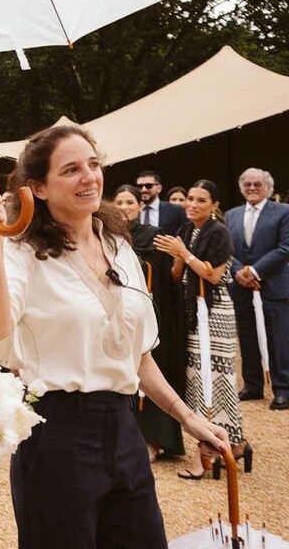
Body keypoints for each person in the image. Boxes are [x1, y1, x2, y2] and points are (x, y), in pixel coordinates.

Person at [0, 125, 228, 548]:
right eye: (70, 169)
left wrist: (187, 418)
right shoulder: (19, 254)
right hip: (56, 437)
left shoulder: (120, 247)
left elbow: (137, 356)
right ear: (37, 187)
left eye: (93, 164)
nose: (89, 177)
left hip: (127, 432)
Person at [155, 180, 251, 479]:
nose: (192, 205)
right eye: (190, 199)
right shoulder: (187, 230)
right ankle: (235, 443)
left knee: (216, 379)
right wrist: (177, 259)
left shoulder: (219, 232)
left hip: (215, 313)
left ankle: (206, 452)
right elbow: (176, 276)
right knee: (198, 379)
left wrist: (185, 254)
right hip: (191, 313)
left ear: (214, 205)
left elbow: (213, 275)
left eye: (200, 200)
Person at [113, 185, 185, 461]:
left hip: (152, 312)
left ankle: (157, 439)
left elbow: (169, 274)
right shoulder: (106, 237)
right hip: (118, 316)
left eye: (129, 202)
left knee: (154, 371)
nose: (124, 206)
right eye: (119, 201)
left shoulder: (153, 236)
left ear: (139, 207)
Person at [224, 168, 289, 410]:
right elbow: (227, 249)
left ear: (268, 188)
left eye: (257, 184)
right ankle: (252, 385)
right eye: (247, 184)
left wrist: (255, 271)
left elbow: (285, 248)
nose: (252, 188)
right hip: (240, 284)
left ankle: (283, 389)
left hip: (274, 284)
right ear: (241, 187)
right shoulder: (231, 214)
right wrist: (240, 272)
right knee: (247, 336)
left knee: (279, 338)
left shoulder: (283, 212)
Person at [136, 170, 186, 235]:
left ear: (159, 188)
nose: (143, 189)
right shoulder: (133, 211)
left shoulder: (176, 210)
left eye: (148, 186)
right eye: (140, 186)